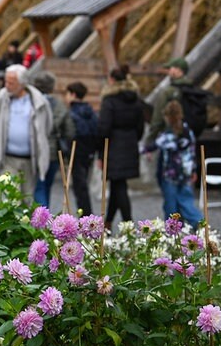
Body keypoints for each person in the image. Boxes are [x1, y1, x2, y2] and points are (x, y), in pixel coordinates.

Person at [0, 64, 52, 197]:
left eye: (11, 83)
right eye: (6, 81)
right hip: (8, 159)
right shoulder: (1, 99)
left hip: (30, 160)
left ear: (22, 83)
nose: (7, 85)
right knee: (9, 198)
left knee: (27, 198)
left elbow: (47, 126)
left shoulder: (38, 101)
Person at [98, 67, 145, 230]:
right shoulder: (136, 100)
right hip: (130, 144)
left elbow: (104, 128)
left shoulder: (109, 100)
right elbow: (141, 127)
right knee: (118, 184)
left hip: (113, 146)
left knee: (119, 185)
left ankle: (128, 224)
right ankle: (109, 222)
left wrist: (100, 153)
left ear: (111, 80)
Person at [145, 100, 203, 226]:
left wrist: (145, 150)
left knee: (171, 207)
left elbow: (154, 145)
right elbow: (192, 153)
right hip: (186, 173)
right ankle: (199, 226)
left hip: (170, 175)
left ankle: (173, 231)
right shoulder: (188, 132)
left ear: (167, 117)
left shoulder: (168, 134)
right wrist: (194, 170)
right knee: (187, 202)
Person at [30, 71, 75, 208]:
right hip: (54, 152)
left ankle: (40, 221)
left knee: (38, 186)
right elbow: (70, 131)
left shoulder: (30, 102)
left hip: (34, 150)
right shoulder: (59, 105)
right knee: (47, 186)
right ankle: (46, 217)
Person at [65, 82, 99, 216]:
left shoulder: (72, 113)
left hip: (76, 152)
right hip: (89, 152)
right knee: (83, 185)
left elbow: (71, 133)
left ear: (73, 95)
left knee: (80, 187)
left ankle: (85, 216)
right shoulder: (90, 111)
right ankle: (87, 214)